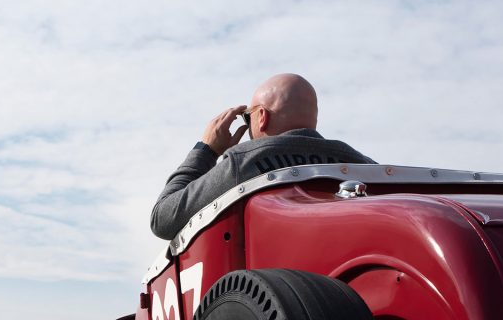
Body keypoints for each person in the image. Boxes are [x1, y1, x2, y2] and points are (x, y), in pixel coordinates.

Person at [150, 73, 375, 240]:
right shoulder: (365, 166)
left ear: (262, 117)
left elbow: (163, 218)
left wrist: (206, 150)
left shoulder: (243, 162)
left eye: (248, 117)